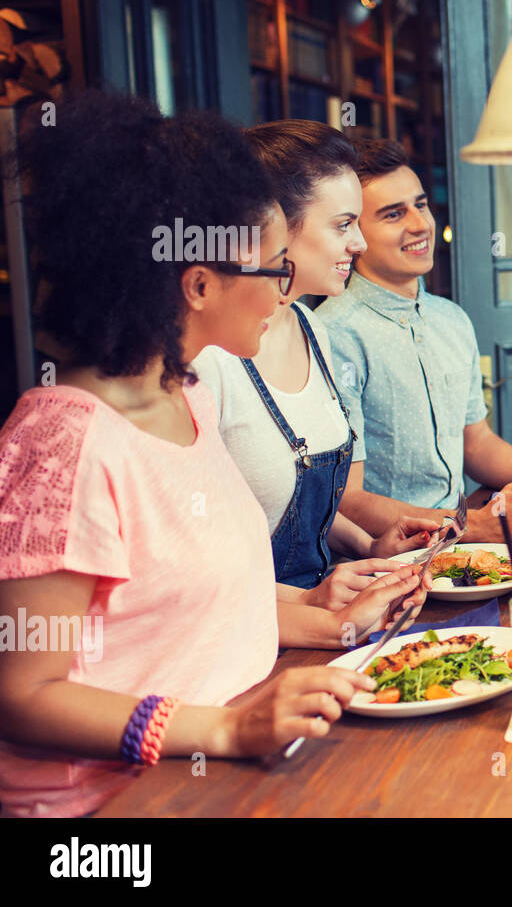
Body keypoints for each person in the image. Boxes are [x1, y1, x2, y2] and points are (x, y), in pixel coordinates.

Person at [0, 93, 427, 817]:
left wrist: (326, 614)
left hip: (229, 766)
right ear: (198, 284)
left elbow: (183, 609)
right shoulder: (61, 444)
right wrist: (223, 727)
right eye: (272, 273)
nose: (282, 294)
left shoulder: (187, 394)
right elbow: (21, 696)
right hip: (110, 815)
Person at [193, 121, 445, 601]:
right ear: (273, 226)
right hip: (252, 632)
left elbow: (298, 502)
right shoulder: (207, 362)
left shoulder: (314, 331)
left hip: (330, 607)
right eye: (343, 224)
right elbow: (190, 570)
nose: (360, 243)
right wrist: (309, 604)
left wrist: (371, 544)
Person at [316, 139, 512, 543]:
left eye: (420, 205)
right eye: (393, 214)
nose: (420, 224)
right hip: (389, 562)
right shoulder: (333, 335)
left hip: (466, 546)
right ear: (354, 231)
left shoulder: (452, 319)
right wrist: (471, 526)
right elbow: (345, 500)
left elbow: (476, 443)